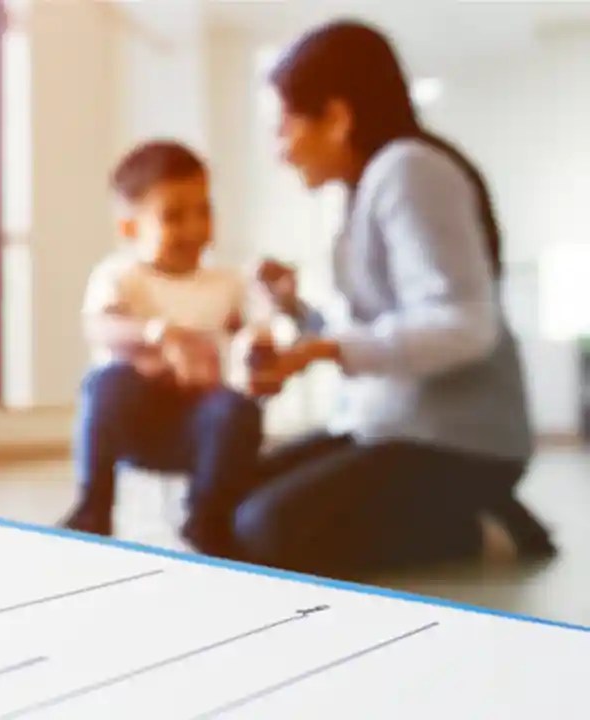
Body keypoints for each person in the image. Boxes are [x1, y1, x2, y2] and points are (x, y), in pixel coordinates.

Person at [221, 20, 555, 576]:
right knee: (224, 502)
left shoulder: (409, 170)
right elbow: (374, 332)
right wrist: (296, 312)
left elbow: (465, 325)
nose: (281, 152)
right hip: (391, 426)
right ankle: (456, 515)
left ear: (336, 117)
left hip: (460, 443)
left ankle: (484, 528)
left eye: (284, 128)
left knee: (268, 529)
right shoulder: (363, 188)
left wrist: (325, 349)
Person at [59, 140, 265, 554]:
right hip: (137, 422)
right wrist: (160, 334)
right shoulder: (121, 275)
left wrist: (257, 347)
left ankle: (207, 518)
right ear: (130, 228)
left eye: (204, 211)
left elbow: (253, 335)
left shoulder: (228, 283)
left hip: (201, 424)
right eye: (174, 216)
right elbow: (100, 325)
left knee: (237, 409)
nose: (194, 228)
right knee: (106, 382)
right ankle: (93, 508)